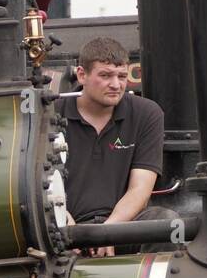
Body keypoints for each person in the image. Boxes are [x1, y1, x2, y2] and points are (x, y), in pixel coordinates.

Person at [61, 36, 168, 256]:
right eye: (105, 75)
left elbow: (140, 188)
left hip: (122, 227)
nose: (116, 85)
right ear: (82, 75)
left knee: (165, 221)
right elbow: (39, 190)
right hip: (63, 226)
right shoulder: (51, 113)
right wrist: (70, 232)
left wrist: (108, 232)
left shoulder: (147, 113)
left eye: (121, 76)